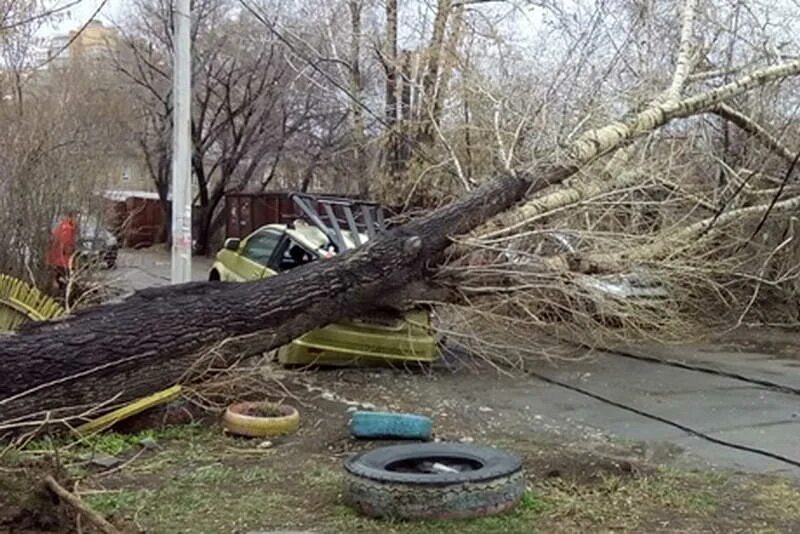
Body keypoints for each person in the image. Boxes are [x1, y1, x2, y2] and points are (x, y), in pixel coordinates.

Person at [48, 209, 79, 293]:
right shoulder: (67, 228)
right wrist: (71, 252)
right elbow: (66, 244)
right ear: (71, 217)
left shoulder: (64, 226)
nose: (76, 219)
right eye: (75, 217)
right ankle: (62, 295)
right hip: (62, 260)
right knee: (64, 278)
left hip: (59, 259)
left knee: (60, 277)